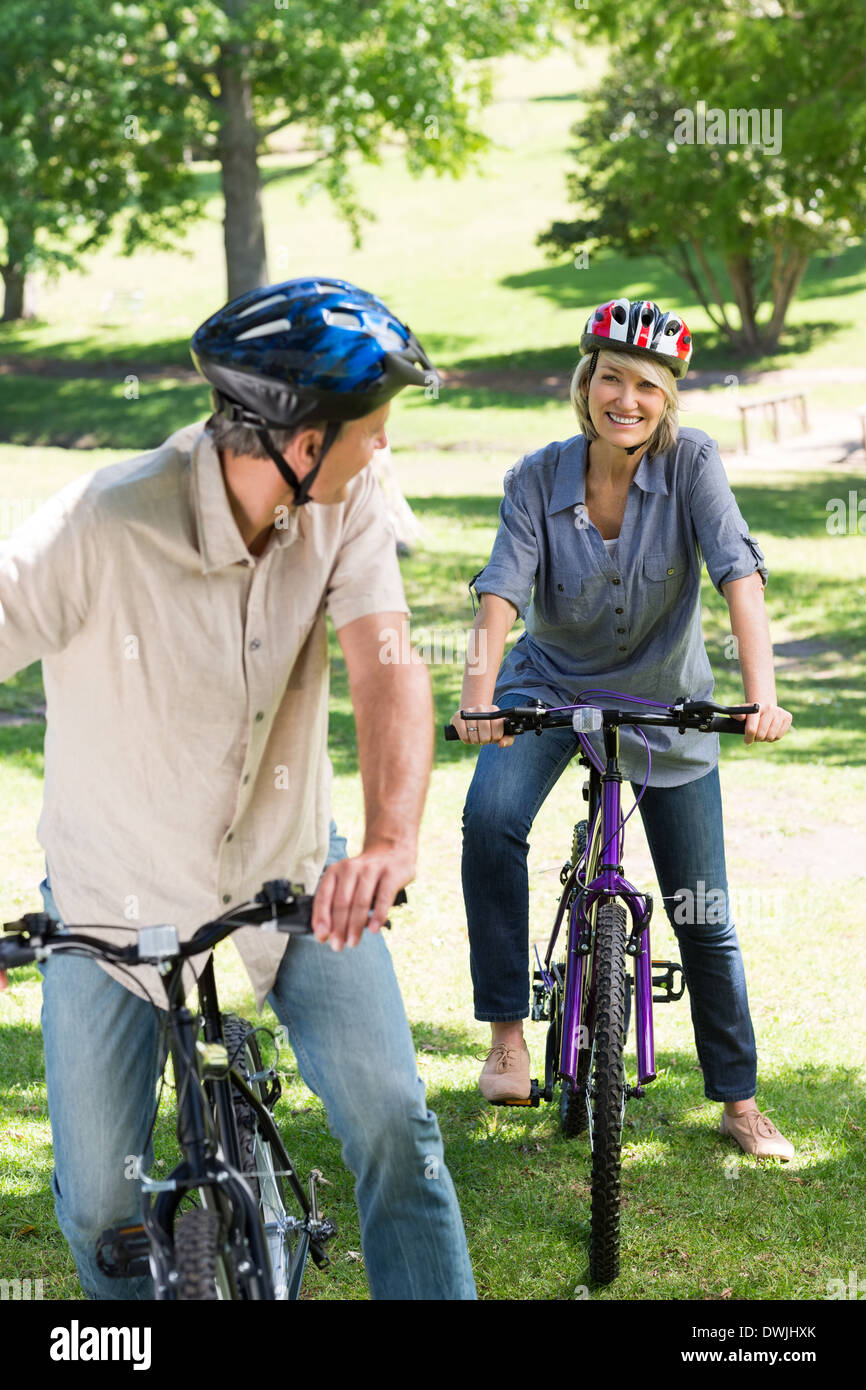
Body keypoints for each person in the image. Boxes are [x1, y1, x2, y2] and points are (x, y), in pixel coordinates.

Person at [0, 276, 476, 1299]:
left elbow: (388, 659)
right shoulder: (101, 523)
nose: (381, 448)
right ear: (295, 435)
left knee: (398, 1124)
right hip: (110, 899)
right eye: (370, 428)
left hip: (288, 876)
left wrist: (390, 839)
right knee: (97, 1207)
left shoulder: (344, 506)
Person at [452, 297, 794, 1160]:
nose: (627, 399)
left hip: (663, 701)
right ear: (586, 383)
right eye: (612, 378)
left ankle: (738, 1100)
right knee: (489, 820)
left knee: (700, 907)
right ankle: (506, 1037)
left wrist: (762, 695)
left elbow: (739, 577)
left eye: (647, 385)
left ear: (668, 397)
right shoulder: (537, 476)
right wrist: (479, 695)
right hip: (549, 687)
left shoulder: (694, 466)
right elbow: (501, 591)